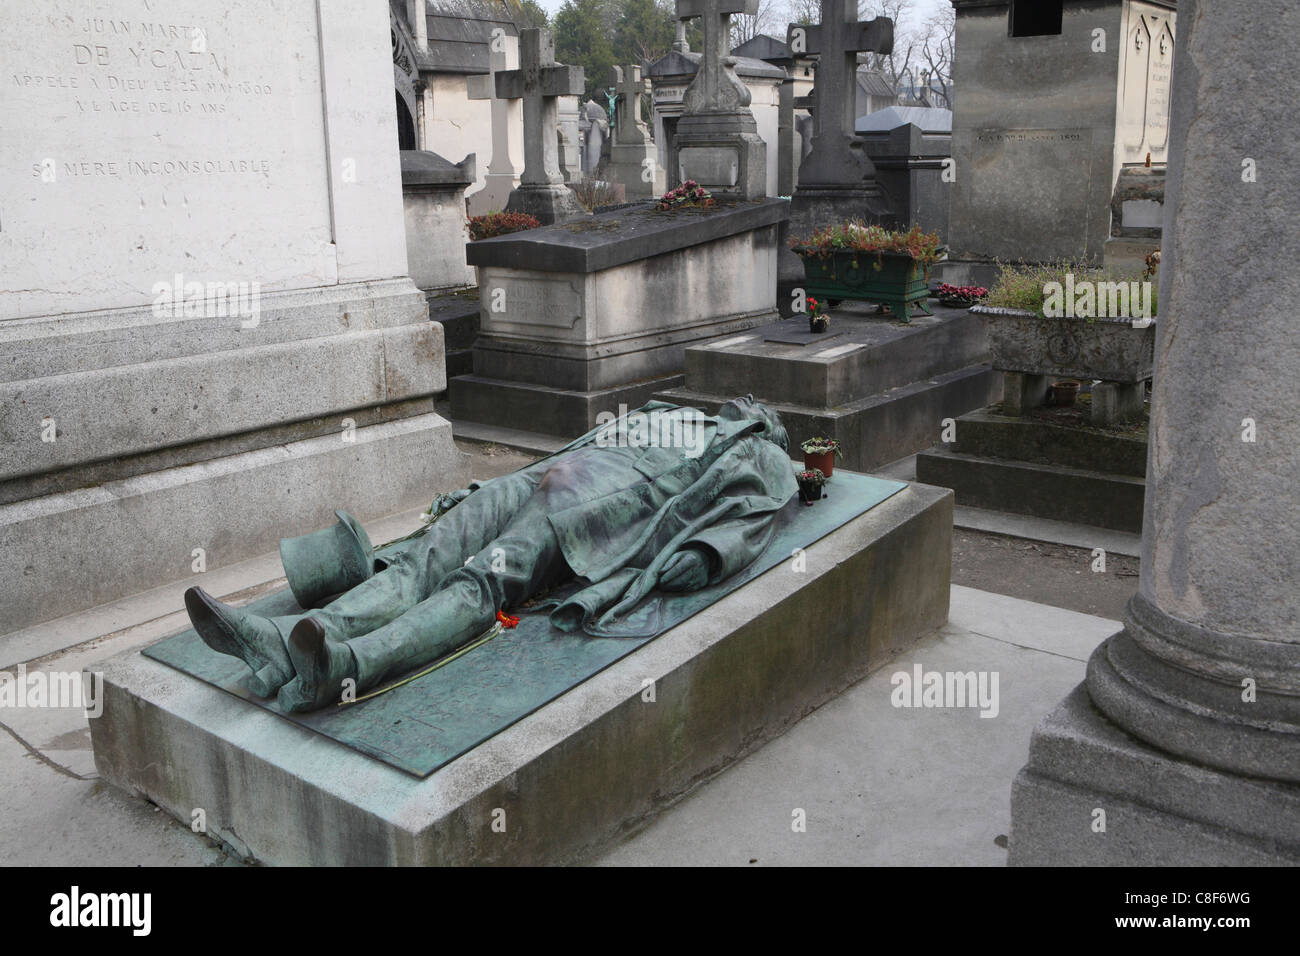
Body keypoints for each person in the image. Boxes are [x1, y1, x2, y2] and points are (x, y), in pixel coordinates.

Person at [184, 397, 796, 712]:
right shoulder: (672, 414)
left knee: (478, 583)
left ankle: (347, 665)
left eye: (758, 407)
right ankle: (275, 640)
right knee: (424, 556)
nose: (747, 403)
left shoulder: (762, 455)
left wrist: (708, 553)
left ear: (769, 424)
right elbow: (587, 439)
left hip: (594, 514)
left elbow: (752, 517)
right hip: (548, 476)